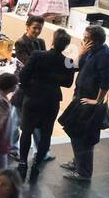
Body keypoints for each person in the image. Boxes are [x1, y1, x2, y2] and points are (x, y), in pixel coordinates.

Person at [18, 29, 74, 182]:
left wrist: (30, 87)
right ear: (66, 45)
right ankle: (36, 165)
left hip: (33, 98)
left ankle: (22, 163)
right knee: (46, 133)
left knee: (27, 131)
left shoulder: (37, 55)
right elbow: (68, 84)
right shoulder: (68, 62)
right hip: (52, 100)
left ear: (53, 41)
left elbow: (23, 76)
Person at [62, 24, 109, 181]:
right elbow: (70, 66)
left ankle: (83, 172)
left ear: (95, 41)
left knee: (83, 136)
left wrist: (97, 101)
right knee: (74, 131)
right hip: (79, 97)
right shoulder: (89, 52)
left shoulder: (104, 55)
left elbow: (106, 80)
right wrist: (81, 52)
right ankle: (78, 162)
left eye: (86, 39)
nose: (83, 41)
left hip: (87, 102)